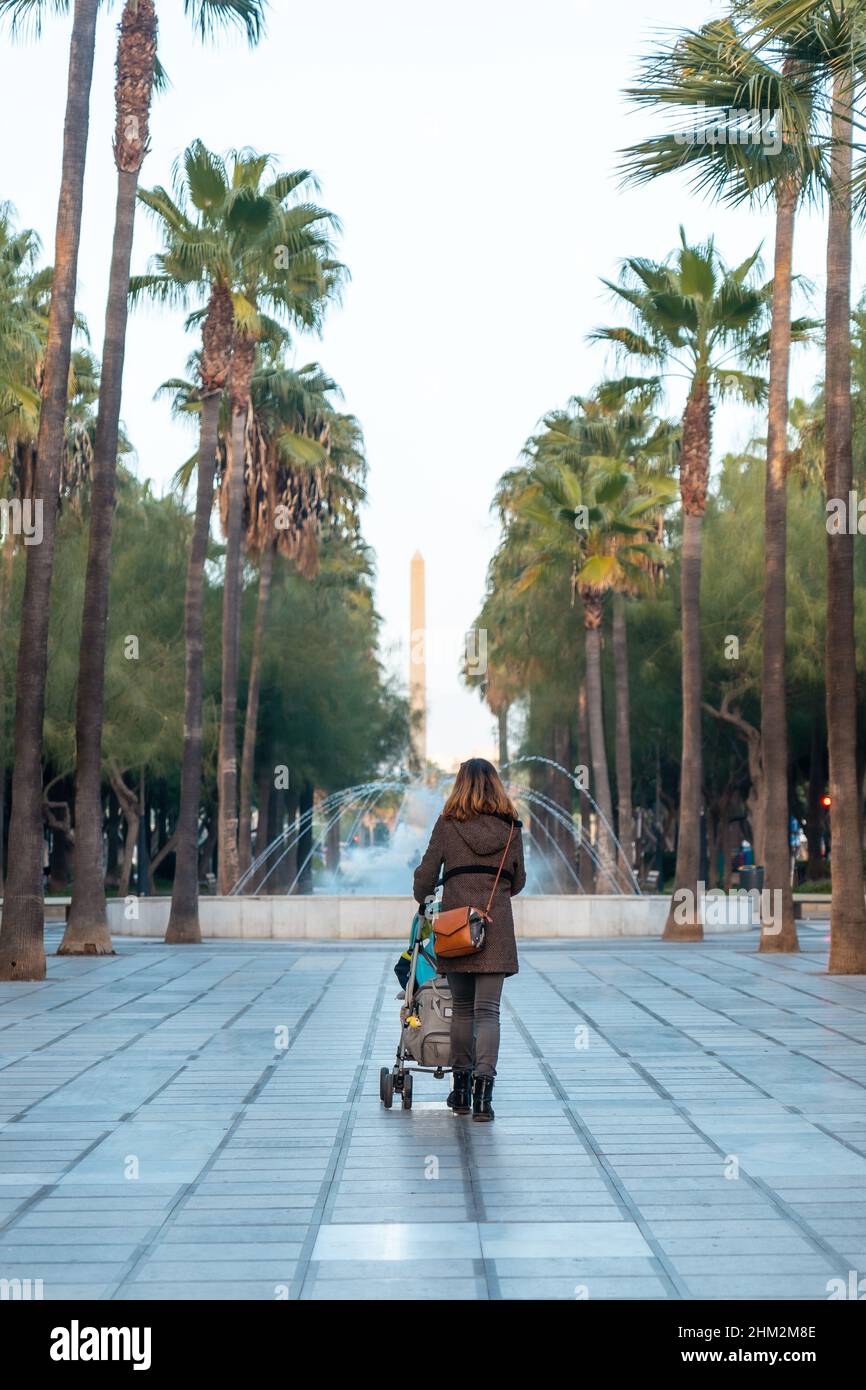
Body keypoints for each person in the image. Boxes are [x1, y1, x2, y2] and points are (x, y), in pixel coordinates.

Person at [413, 758, 526, 1122]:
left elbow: (426, 877)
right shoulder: (511, 828)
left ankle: (460, 1091)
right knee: (488, 1013)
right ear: (496, 786)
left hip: (456, 928)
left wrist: (426, 895)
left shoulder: (448, 825)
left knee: (462, 1010)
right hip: (495, 928)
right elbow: (518, 880)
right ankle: (484, 1097)